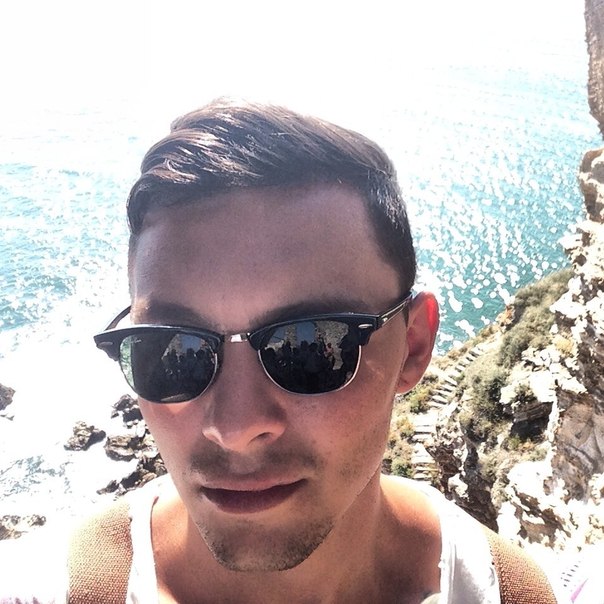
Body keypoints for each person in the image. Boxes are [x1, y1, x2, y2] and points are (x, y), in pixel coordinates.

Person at [0, 99, 564, 603]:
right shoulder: (47, 588)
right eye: (172, 351)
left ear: (413, 345)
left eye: (311, 346)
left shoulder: (506, 593)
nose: (236, 428)